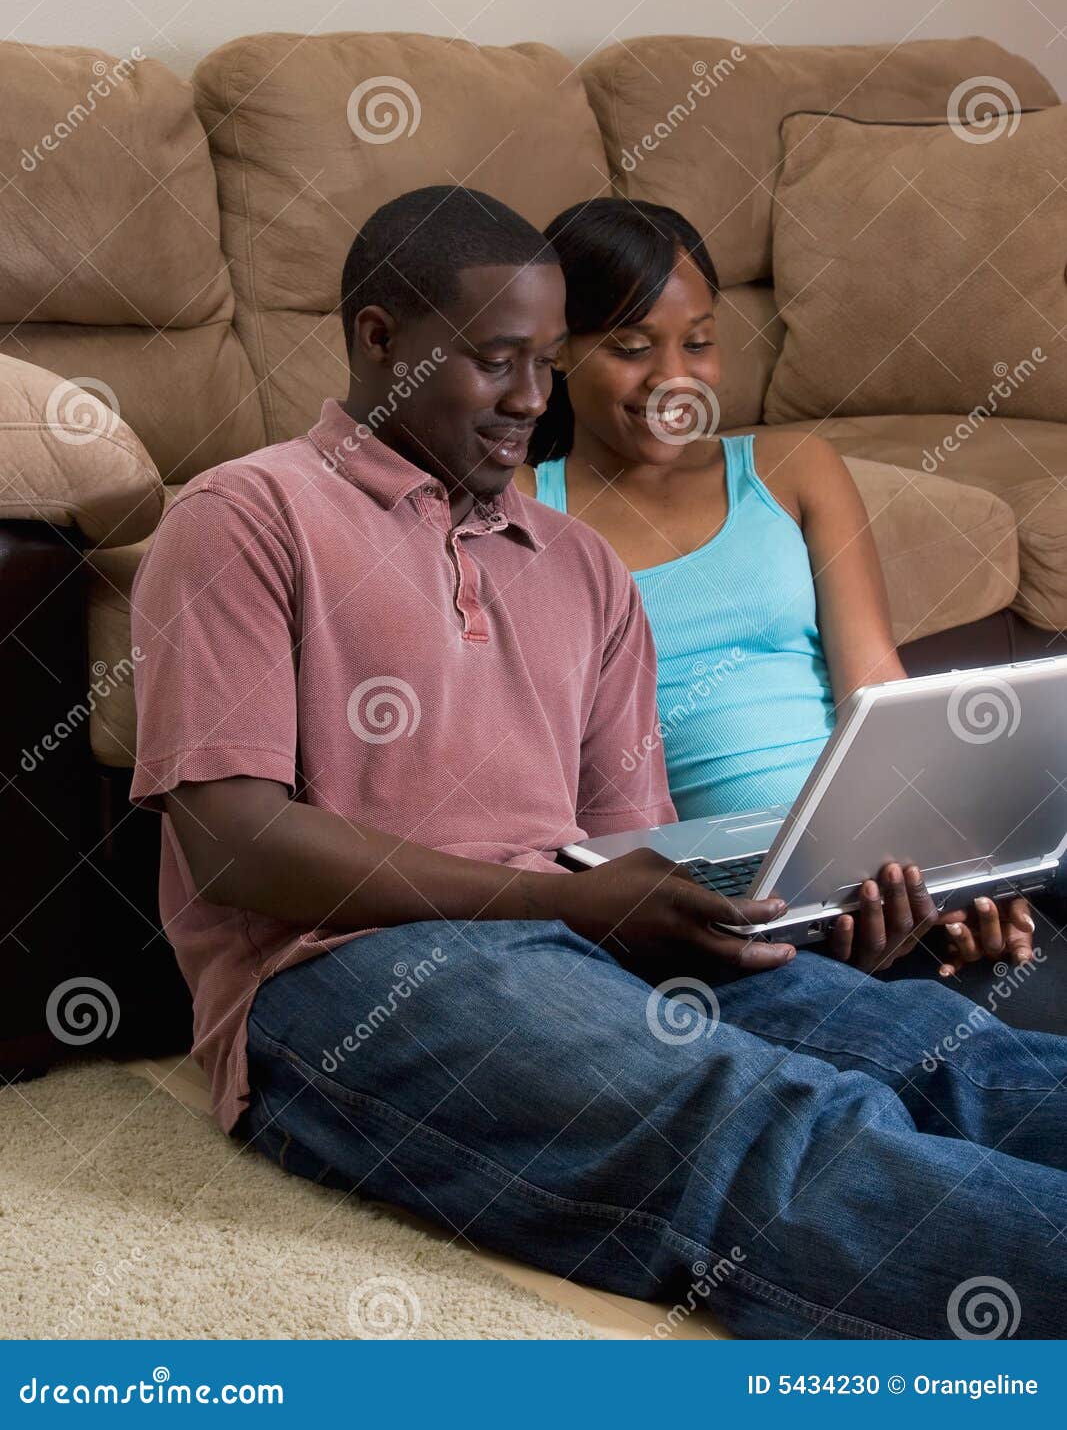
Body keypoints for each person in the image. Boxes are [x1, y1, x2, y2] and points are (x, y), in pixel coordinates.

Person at [131, 186, 1067, 1340]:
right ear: (380, 341)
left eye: (545, 362)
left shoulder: (579, 568)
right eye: (496, 361)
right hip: (350, 977)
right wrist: (563, 900)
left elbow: (630, 855)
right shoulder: (244, 515)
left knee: (941, 1055)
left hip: (579, 945)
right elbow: (233, 841)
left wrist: (797, 925)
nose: (533, 399)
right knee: (759, 1115)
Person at [516, 198, 1036, 980]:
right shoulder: (523, 506)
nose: (673, 382)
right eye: (630, 348)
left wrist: (954, 862)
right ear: (557, 348)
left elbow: (876, 692)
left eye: (698, 344)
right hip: (705, 895)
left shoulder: (792, 469)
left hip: (874, 848)